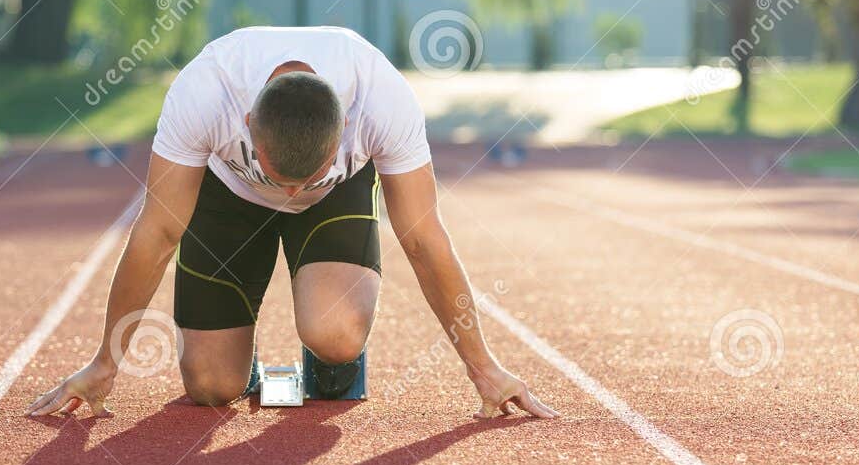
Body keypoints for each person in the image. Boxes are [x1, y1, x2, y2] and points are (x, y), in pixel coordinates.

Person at [29, 25, 556, 420]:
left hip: (337, 199)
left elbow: (423, 239)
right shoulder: (205, 93)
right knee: (212, 387)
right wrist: (105, 362)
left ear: (346, 130)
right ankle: (242, 356)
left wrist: (483, 367)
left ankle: (334, 362)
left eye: (304, 179)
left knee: (335, 335)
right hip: (228, 194)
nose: (289, 195)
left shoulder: (382, 99)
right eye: (280, 178)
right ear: (247, 125)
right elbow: (157, 233)